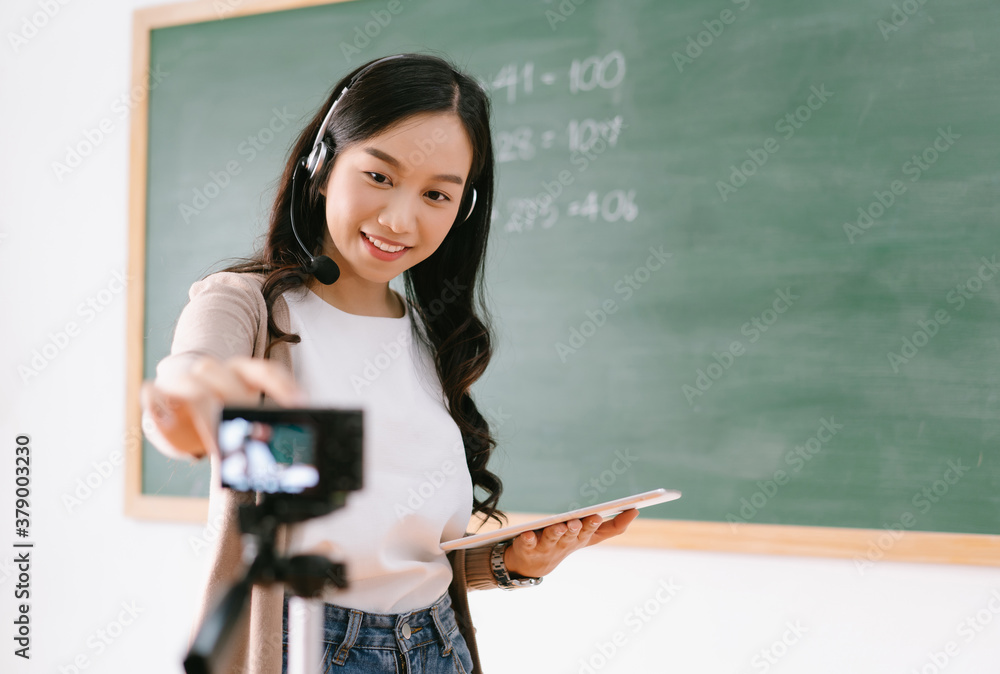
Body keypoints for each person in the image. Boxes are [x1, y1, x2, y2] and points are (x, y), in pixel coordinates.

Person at [140, 53, 639, 674]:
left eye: (436, 194)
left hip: (436, 645)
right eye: (379, 177)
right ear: (321, 167)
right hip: (306, 645)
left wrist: (515, 563)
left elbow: (406, 556)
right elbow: (187, 384)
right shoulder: (246, 306)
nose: (401, 219)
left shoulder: (429, 337)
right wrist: (190, 400)